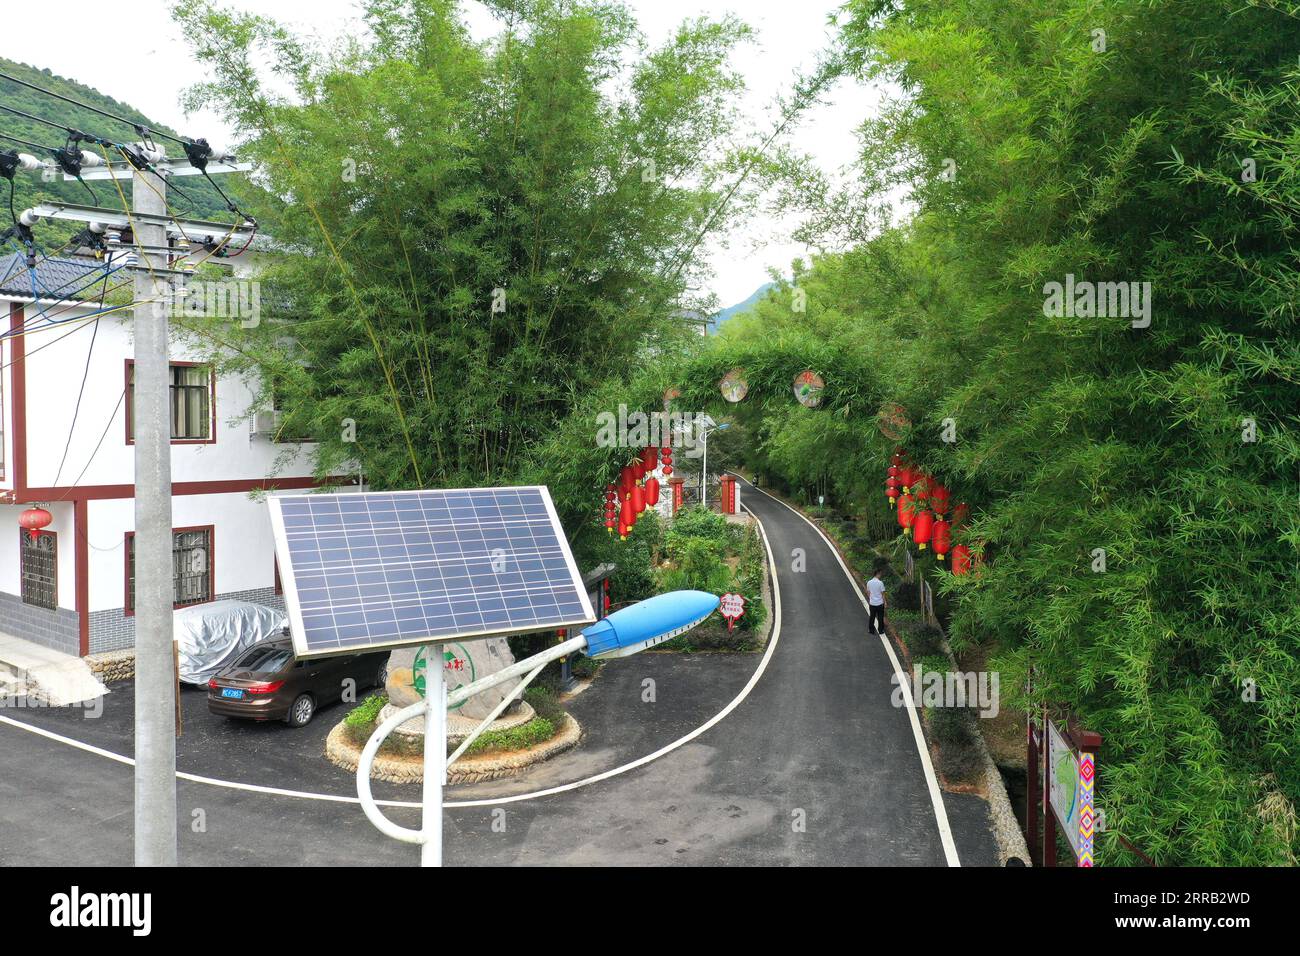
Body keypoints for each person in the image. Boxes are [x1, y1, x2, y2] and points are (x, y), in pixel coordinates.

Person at [866, 568, 887, 636]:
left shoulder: (869, 582)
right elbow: (883, 594)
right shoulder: (880, 583)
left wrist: (871, 599)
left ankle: (871, 630)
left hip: (872, 603)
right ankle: (880, 630)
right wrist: (885, 602)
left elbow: (868, 592)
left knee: (872, 616)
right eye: (880, 574)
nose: (880, 575)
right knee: (880, 617)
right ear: (878, 574)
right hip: (880, 603)